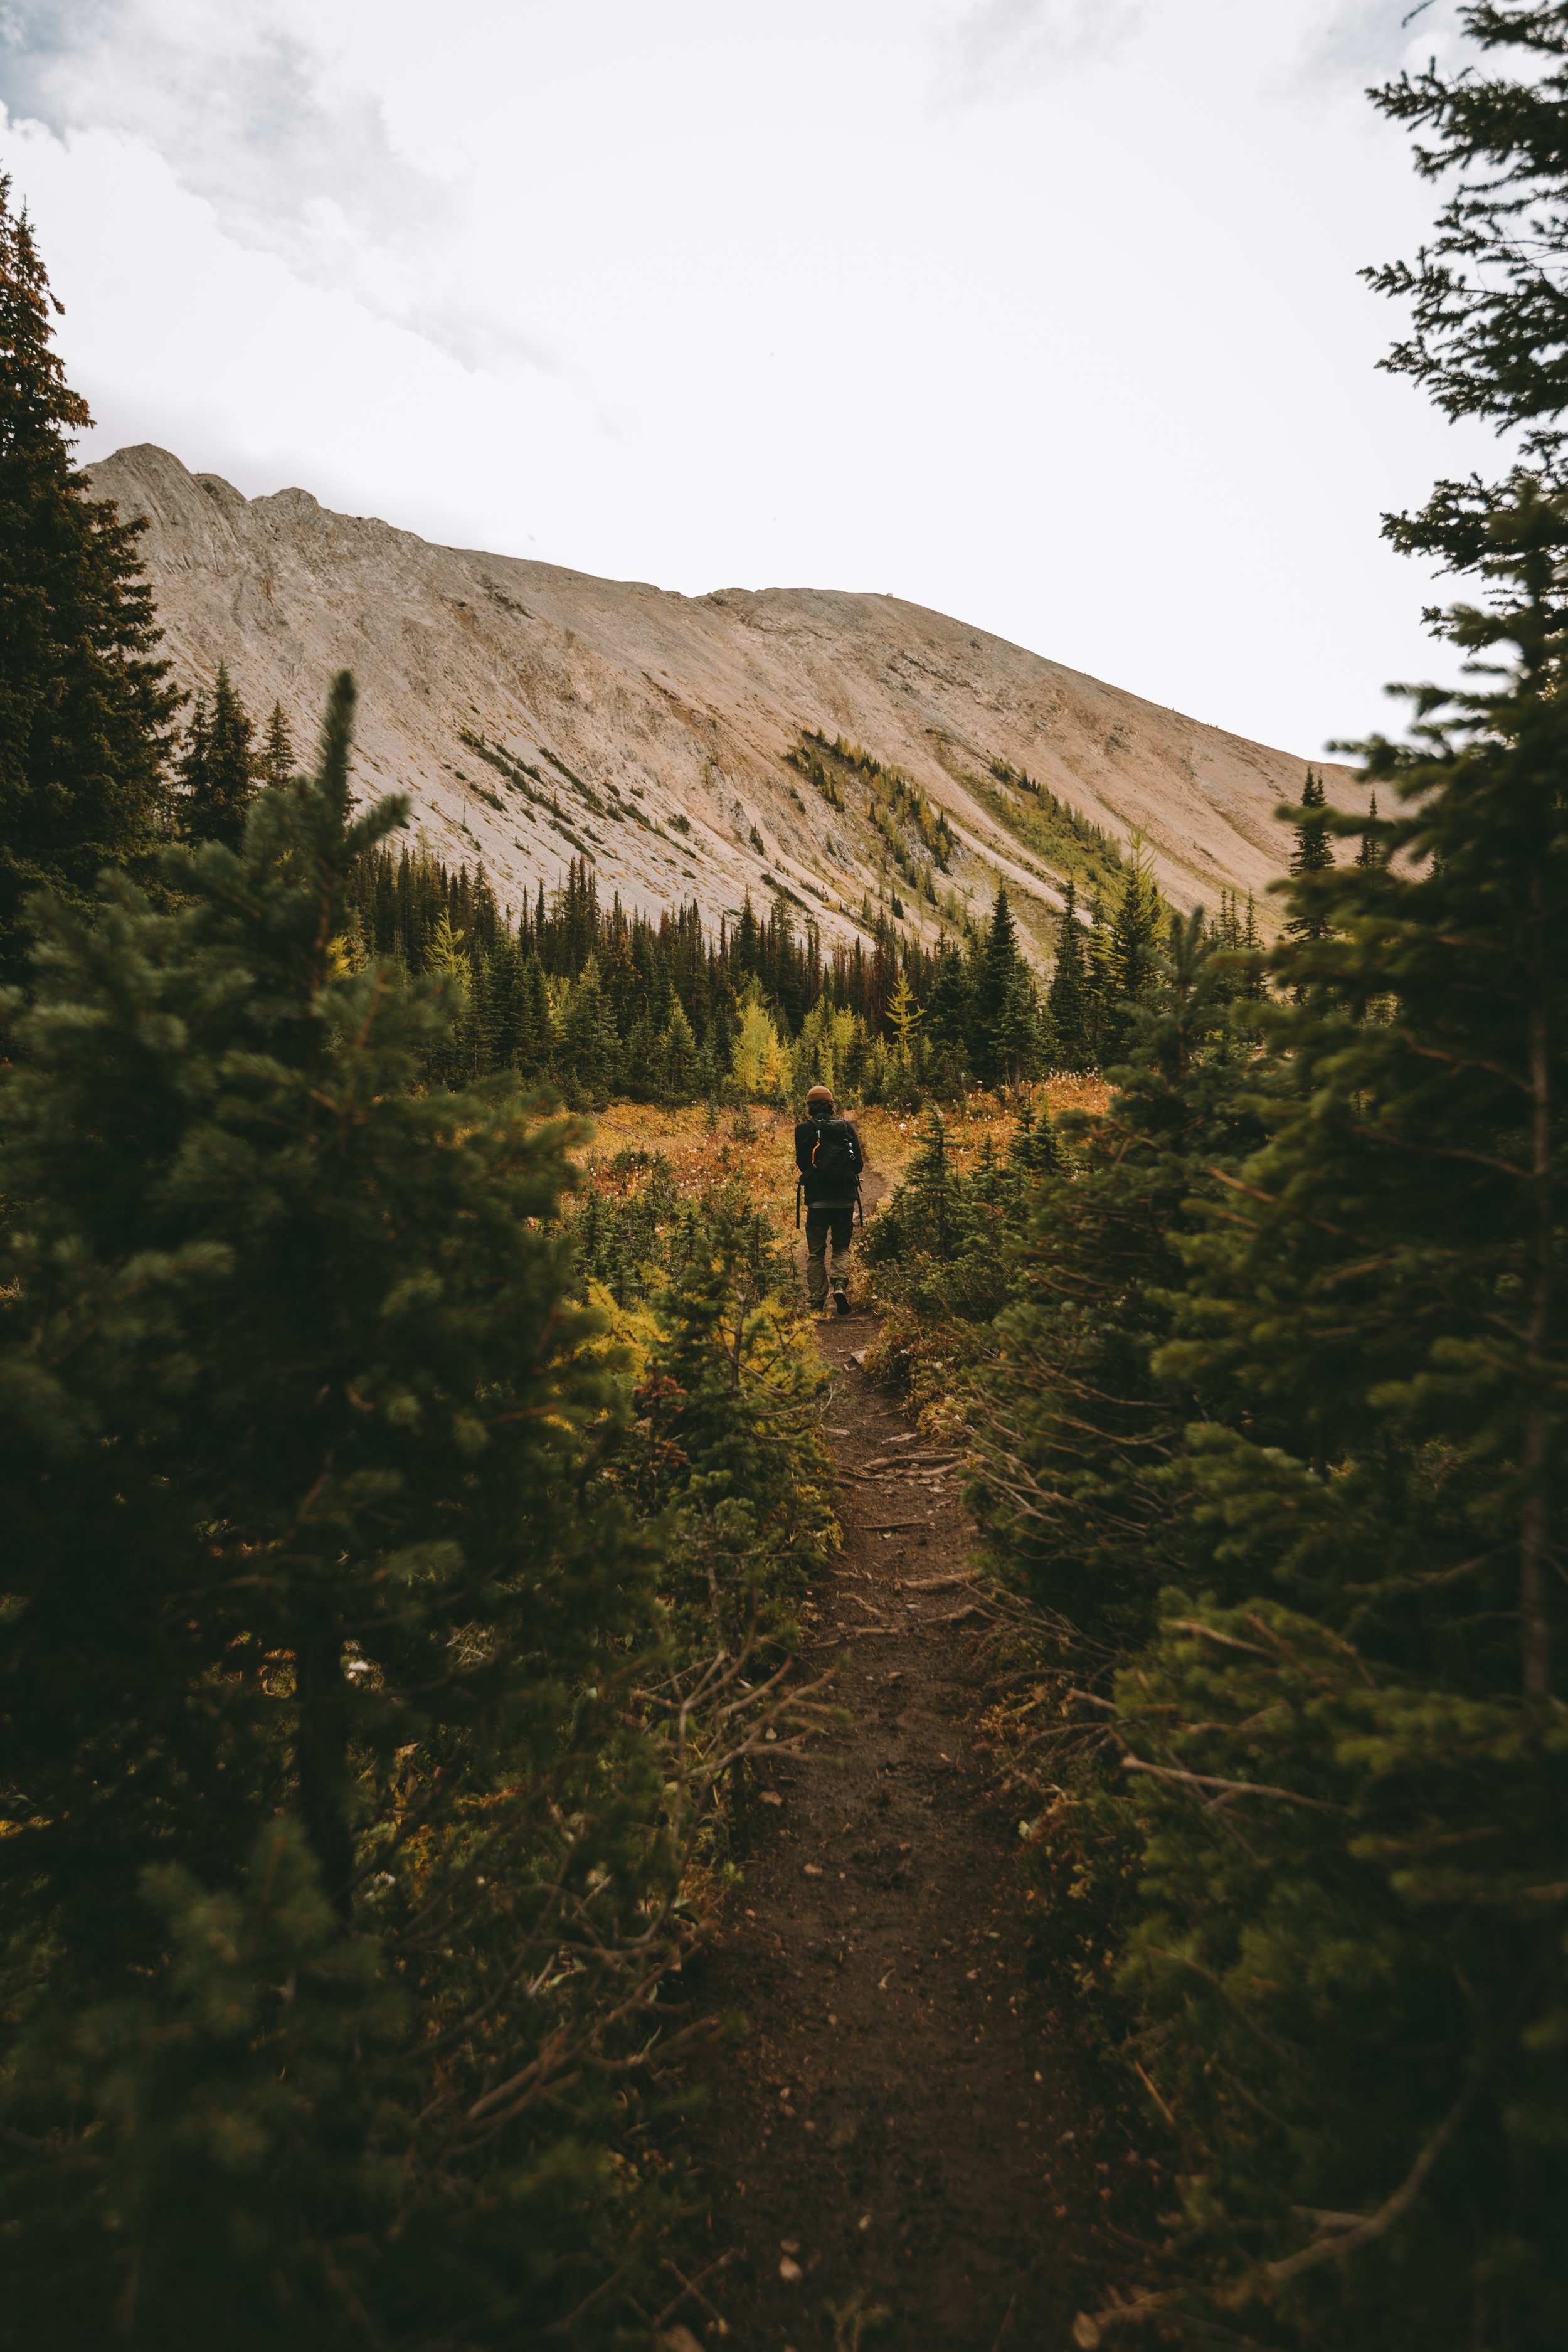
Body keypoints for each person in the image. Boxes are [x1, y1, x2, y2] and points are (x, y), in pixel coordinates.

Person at [795, 1082, 864, 1316]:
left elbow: (803, 1164)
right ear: (831, 1105)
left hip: (817, 1200)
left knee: (816, 1252)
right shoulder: (846, 1127)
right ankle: (840, 1287)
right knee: (842, 1246)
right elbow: (859, 1165)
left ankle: (816, 1301)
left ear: (810, 1107)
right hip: (845, 1198)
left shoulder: (803, 1130)